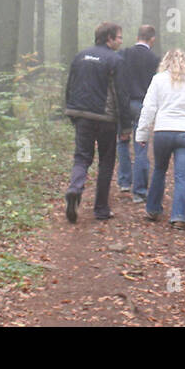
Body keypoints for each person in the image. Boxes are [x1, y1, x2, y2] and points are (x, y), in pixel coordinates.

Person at [134, 49, 185, 229]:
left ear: (166, 62)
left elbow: (149, 108)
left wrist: (142, 133)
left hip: (163, 131)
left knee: (160, 169)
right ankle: (179, 216)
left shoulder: (158, 80)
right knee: (181, 175)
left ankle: (153, 209)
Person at [64, 22, 124, 223]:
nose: (121, 41)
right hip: (105, 118)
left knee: (81, 158)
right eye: (119, 37)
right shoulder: (115, 59)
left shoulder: (80, 56)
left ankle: (75, 188)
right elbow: (121, 93)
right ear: (109, 38)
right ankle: (100, 209)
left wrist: (70, 111)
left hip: (81, 115)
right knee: (106, 162)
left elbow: (70, 85)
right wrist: (125, 125)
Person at [117, 25, 161, 203]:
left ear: (137, 36)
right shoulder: (155, 59)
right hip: (144, 104)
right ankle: (140, 191)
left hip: (124, 103)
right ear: (152, 39)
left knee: (122, 140)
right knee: (141, 146)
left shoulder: (123, 54)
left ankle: (124, 181)